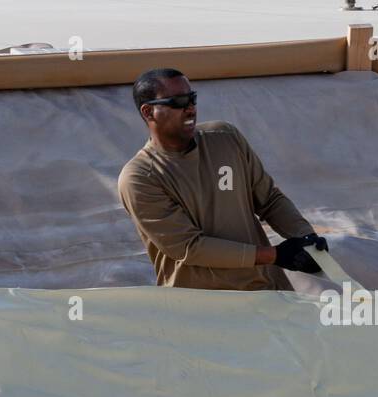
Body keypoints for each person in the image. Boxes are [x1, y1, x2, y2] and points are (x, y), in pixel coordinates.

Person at [117, 68, 328, 291]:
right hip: (207, 311)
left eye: (192, 98)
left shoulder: (225, 138)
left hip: (268, 293)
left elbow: (269, 199)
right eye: (178, 101)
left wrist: (306, 237)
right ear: (149, 112)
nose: (190, 109)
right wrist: (275, 255)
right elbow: (190, 247)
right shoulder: (139, 178)